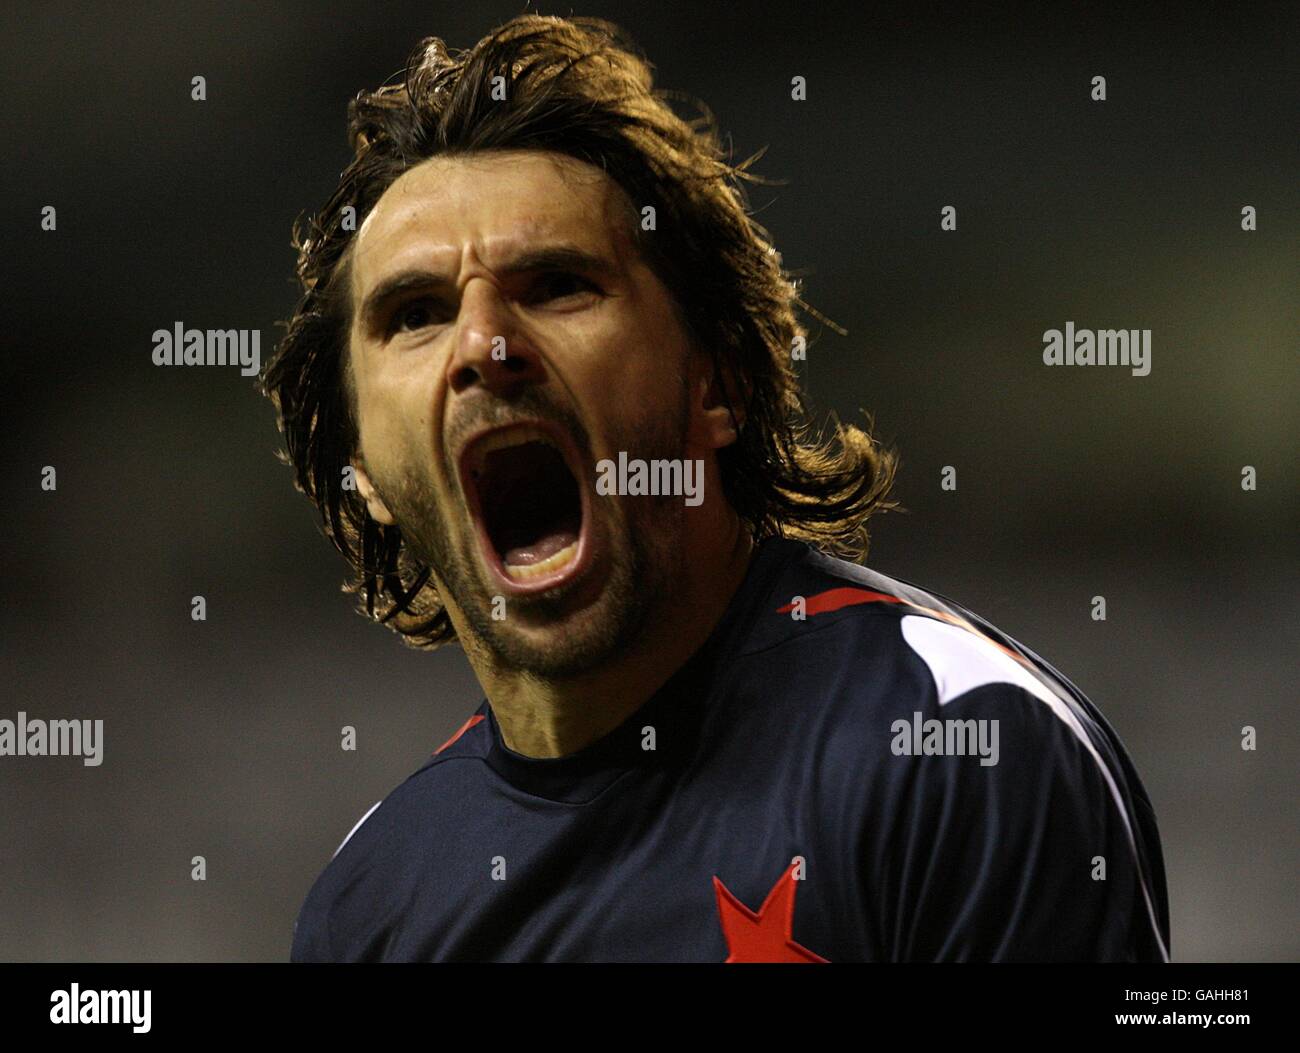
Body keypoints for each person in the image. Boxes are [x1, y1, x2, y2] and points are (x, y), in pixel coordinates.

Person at [263, 14, 1170, 962]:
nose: (486, 347)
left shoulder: (954, 749)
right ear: (360, 470)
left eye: (559, 285)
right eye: (415, 314)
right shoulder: (372, 909)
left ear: (718, 381)